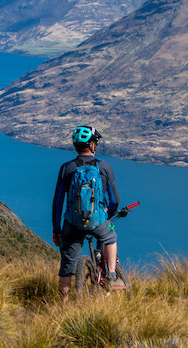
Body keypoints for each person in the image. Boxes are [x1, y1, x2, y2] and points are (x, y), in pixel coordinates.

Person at [52, 125, 125, 302]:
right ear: (92, 146)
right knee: (110, 238)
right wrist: (108, 215)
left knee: (67, 266)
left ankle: (63, 306)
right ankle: (112, 275)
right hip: (99, 221)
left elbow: (58, 202)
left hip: (72, 223)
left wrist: (57, 229)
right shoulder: (104, 167)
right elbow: (115, 199)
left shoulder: (66, 168)